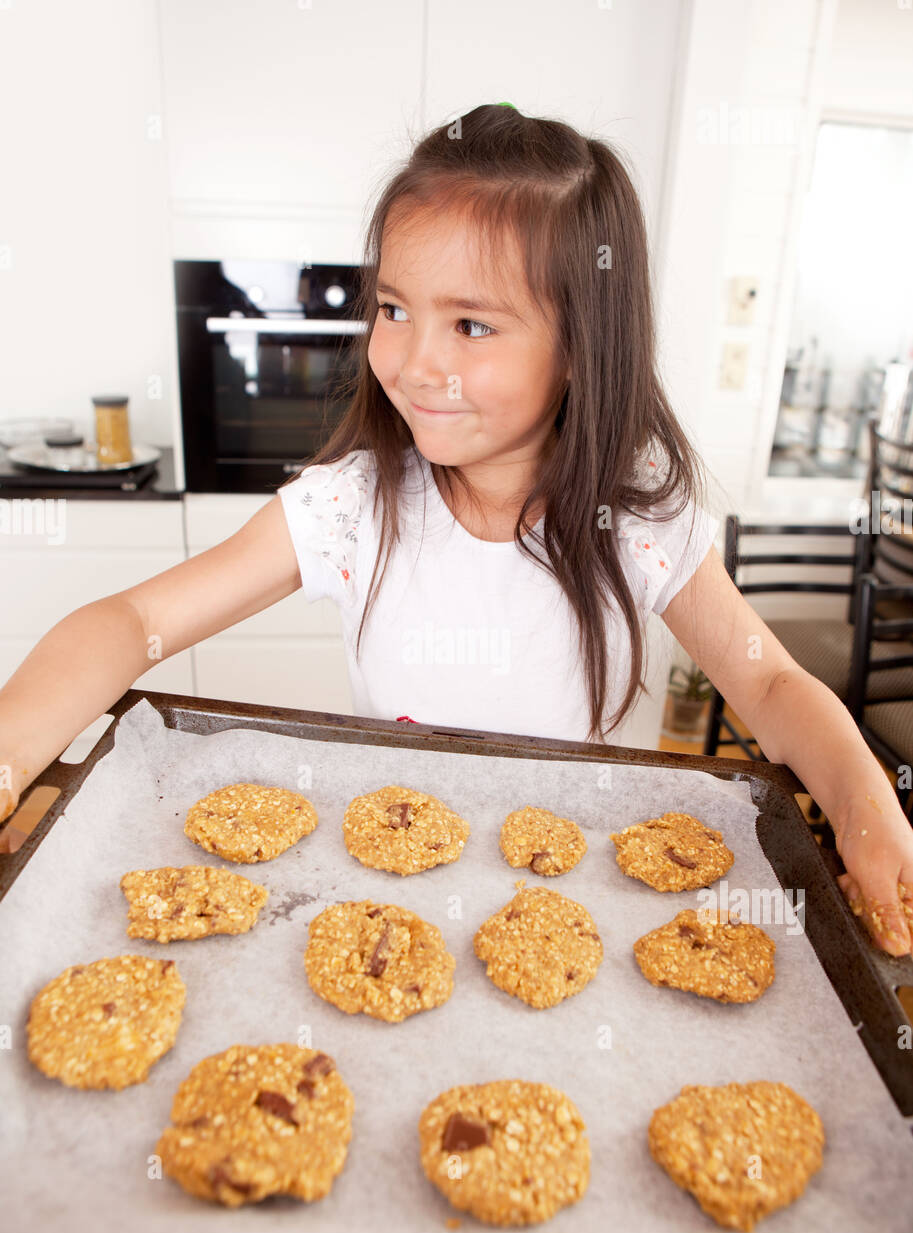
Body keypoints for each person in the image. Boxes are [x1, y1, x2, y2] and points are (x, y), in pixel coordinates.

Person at [1, 105, 910, 955]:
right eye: (394, 309)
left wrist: (866, 800)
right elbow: (132, 624)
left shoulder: (632, 523)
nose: (414, 360)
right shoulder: (354, 506)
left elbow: (775, 687)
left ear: (581, 348)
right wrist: (10, 751)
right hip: (380, 892)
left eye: (471, 324)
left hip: (558, 899)